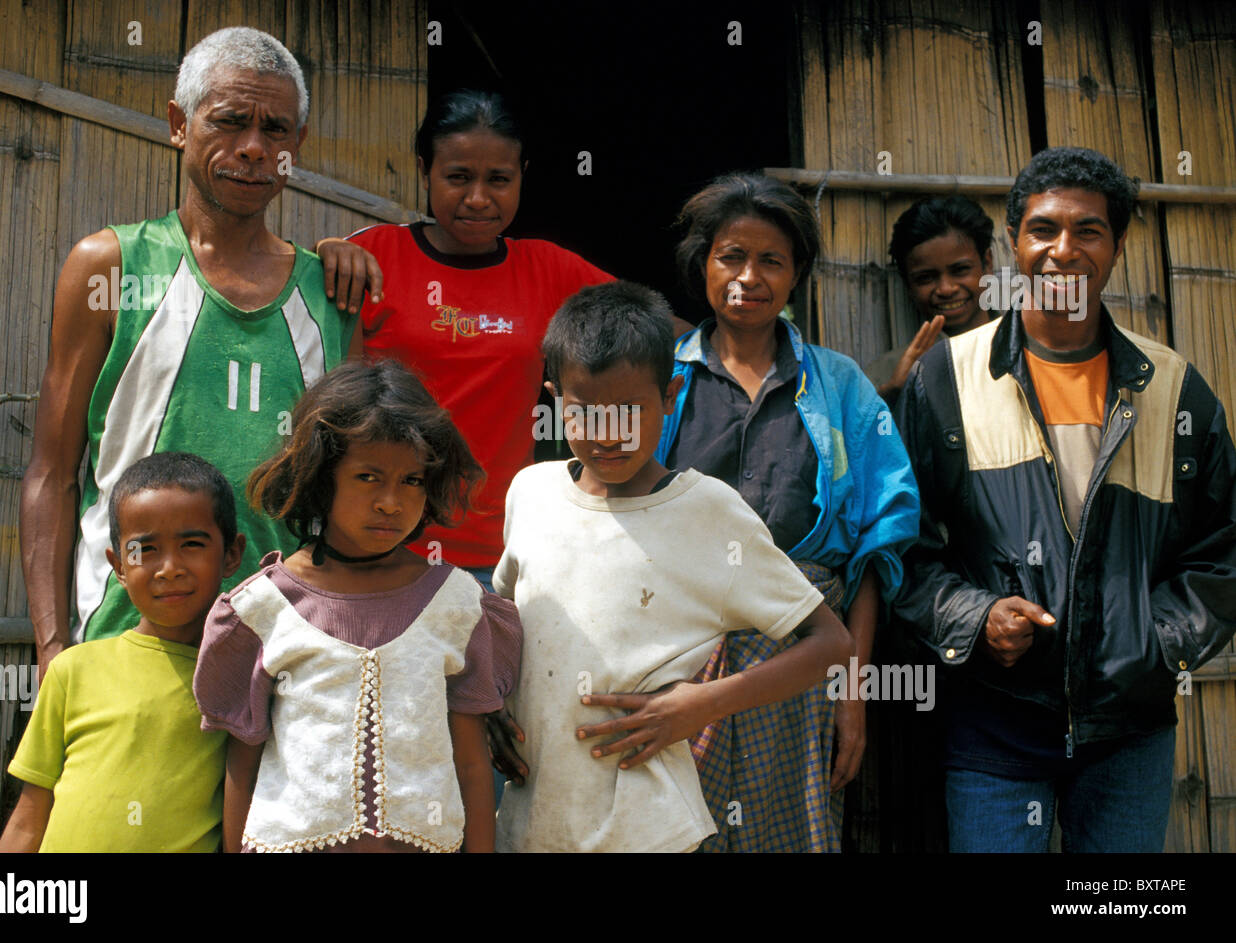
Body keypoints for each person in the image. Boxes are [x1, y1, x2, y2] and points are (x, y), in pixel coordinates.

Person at [894, 146, 1236, 853]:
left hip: (1130, 731)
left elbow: (1224, 548)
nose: (1063, 250)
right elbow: (903, 546)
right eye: (1044, 229)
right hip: (994, 722)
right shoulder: (945, 379)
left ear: (1117, 246)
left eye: (1089, 230)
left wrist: (1155, 641)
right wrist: (977, 615)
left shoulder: (1173, 387)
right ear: (1013, 242)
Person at [20, 26, 377, 673]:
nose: (251, 148)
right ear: (179, 124)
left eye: (274, 130)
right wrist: (51, 648)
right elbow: (51, 471)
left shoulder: (329, 293)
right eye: (230, 121)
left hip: (285, 649)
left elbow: (346, 481)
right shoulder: (110, 265)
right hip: (124, 643)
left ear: (297, 146)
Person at [491, 281, 853, 852]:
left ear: (670, 394)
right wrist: (491, 707)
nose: (609, 435)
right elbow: (506, 623)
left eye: (629, 411)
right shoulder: (530, 493)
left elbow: (830, 643)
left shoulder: (707, 512)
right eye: (586, 412)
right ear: (556, 398)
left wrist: (702, 704)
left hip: (647, 828)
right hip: (532, 819)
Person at [653, 173, 920, 852]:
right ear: (703, 265)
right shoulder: (660, 379)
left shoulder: (842, 389)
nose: (749, 276)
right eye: (731, 256)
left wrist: (851, 694)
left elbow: (869, 555)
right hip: (677, 656)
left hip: (804, 659)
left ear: (798, 272)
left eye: (771, 259)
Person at [342, 89, 692, 590]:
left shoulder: (547, 269)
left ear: (523, 174)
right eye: (458, 177)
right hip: (380, 549)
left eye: (499, 180)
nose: (479, 198)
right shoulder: (373, 256)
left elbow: (662, 330)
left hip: (502, 555)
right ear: (424, 170)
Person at [193, 360, 521, 853]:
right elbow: (244, 763)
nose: (392, 502)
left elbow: (471, 764)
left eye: (411, 480)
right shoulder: (262, 609)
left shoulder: (456, 605)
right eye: (369, 476)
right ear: (322, 478)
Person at [0, 453, 244, 852]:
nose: (168, 568)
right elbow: (29, 818)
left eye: (192, 544)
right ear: (118, 566)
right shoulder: (73, 670)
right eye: (143, 550)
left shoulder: (240, 678)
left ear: (231, 554)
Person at [865, 195, 997, 406]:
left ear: (987, 263)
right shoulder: (884, 376)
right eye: (926, 277)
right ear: (908, 284)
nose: (946, 289)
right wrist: (895, 395)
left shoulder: (1029, 347)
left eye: (960, 270)